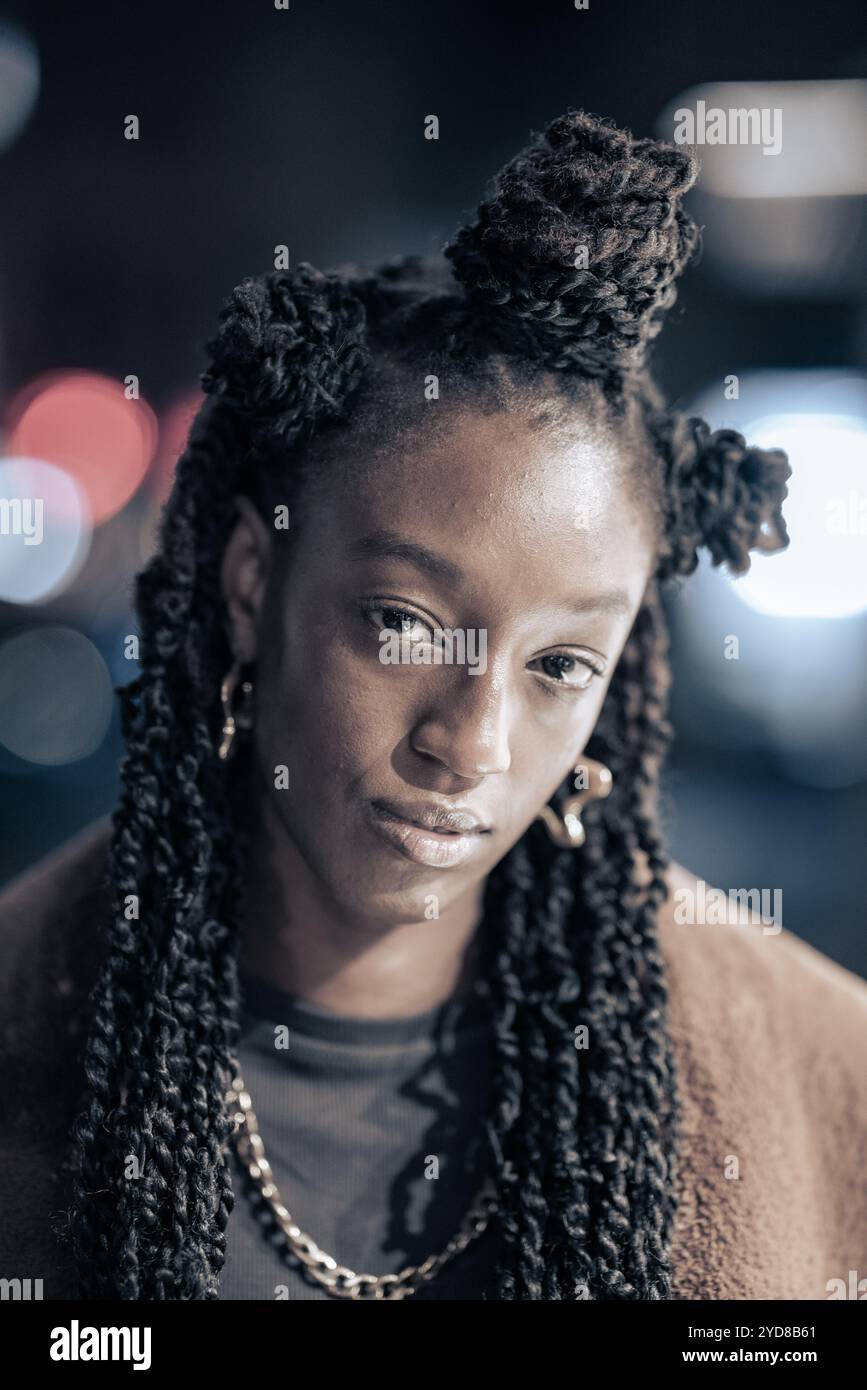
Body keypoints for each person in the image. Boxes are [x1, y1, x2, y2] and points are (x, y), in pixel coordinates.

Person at [1, 108, 865, 1303]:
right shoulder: (26, 1016)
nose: (472, 743)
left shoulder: (824, 1070)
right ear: (255, 583)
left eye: (560, 664)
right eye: (403, 624)